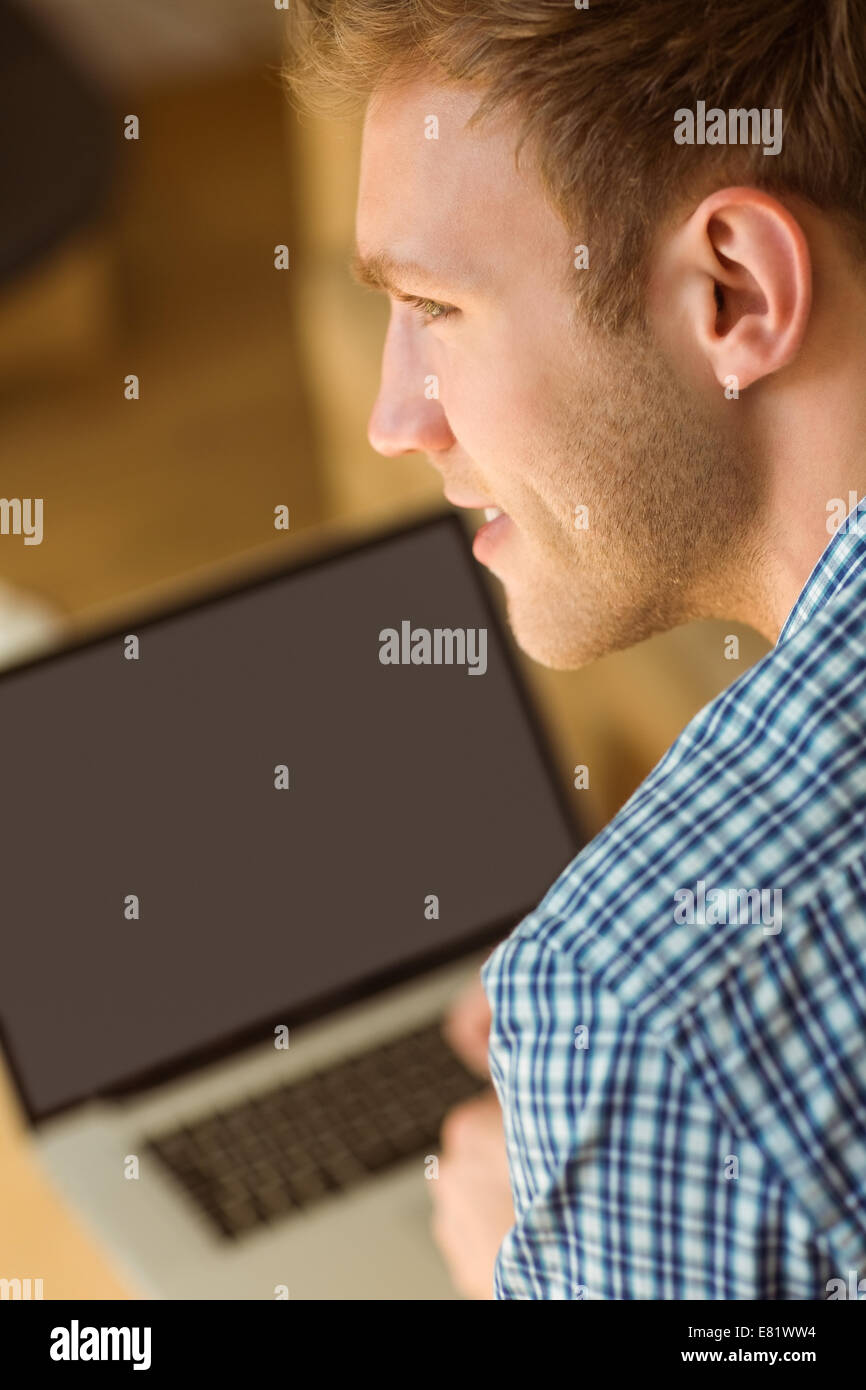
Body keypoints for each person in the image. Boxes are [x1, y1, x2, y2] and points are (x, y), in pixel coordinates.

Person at [284, 1, 866, 1299]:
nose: (395, 418)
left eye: (433, 306)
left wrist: (532, 1262)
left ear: (736, 291)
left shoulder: (640, 1000)